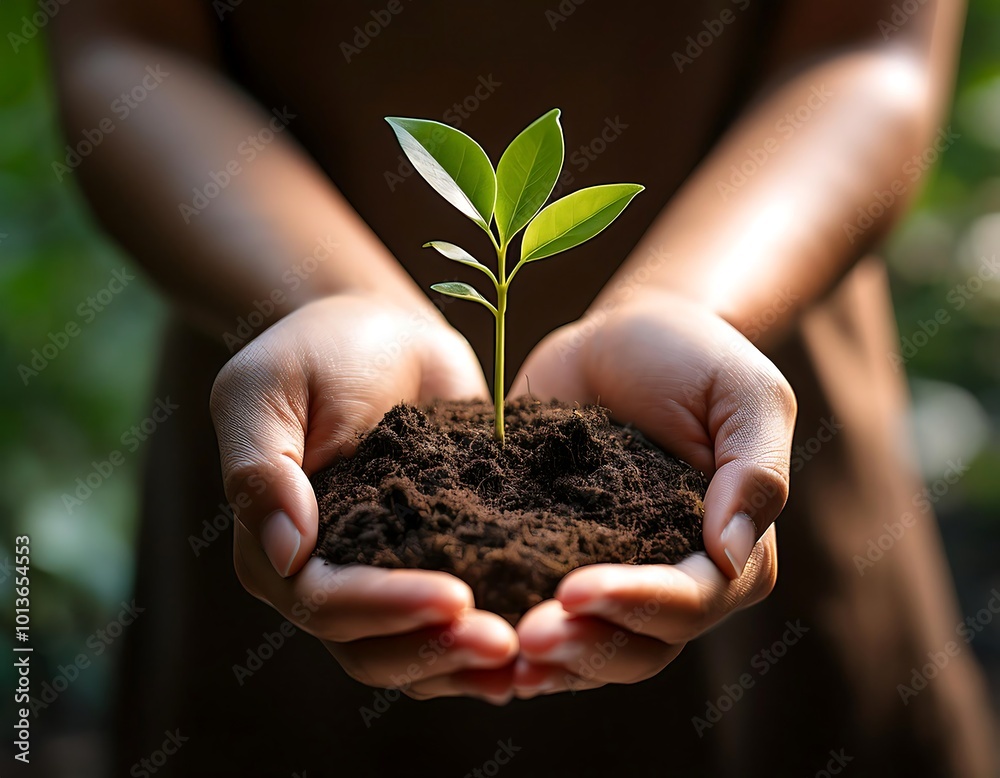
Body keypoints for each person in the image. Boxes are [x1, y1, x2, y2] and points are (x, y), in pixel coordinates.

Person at [50, 1, 995, 775]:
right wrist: (332, 299)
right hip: (311, 389)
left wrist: (684, 306)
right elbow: (121, 46)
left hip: (733, 353)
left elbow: (870, 53)